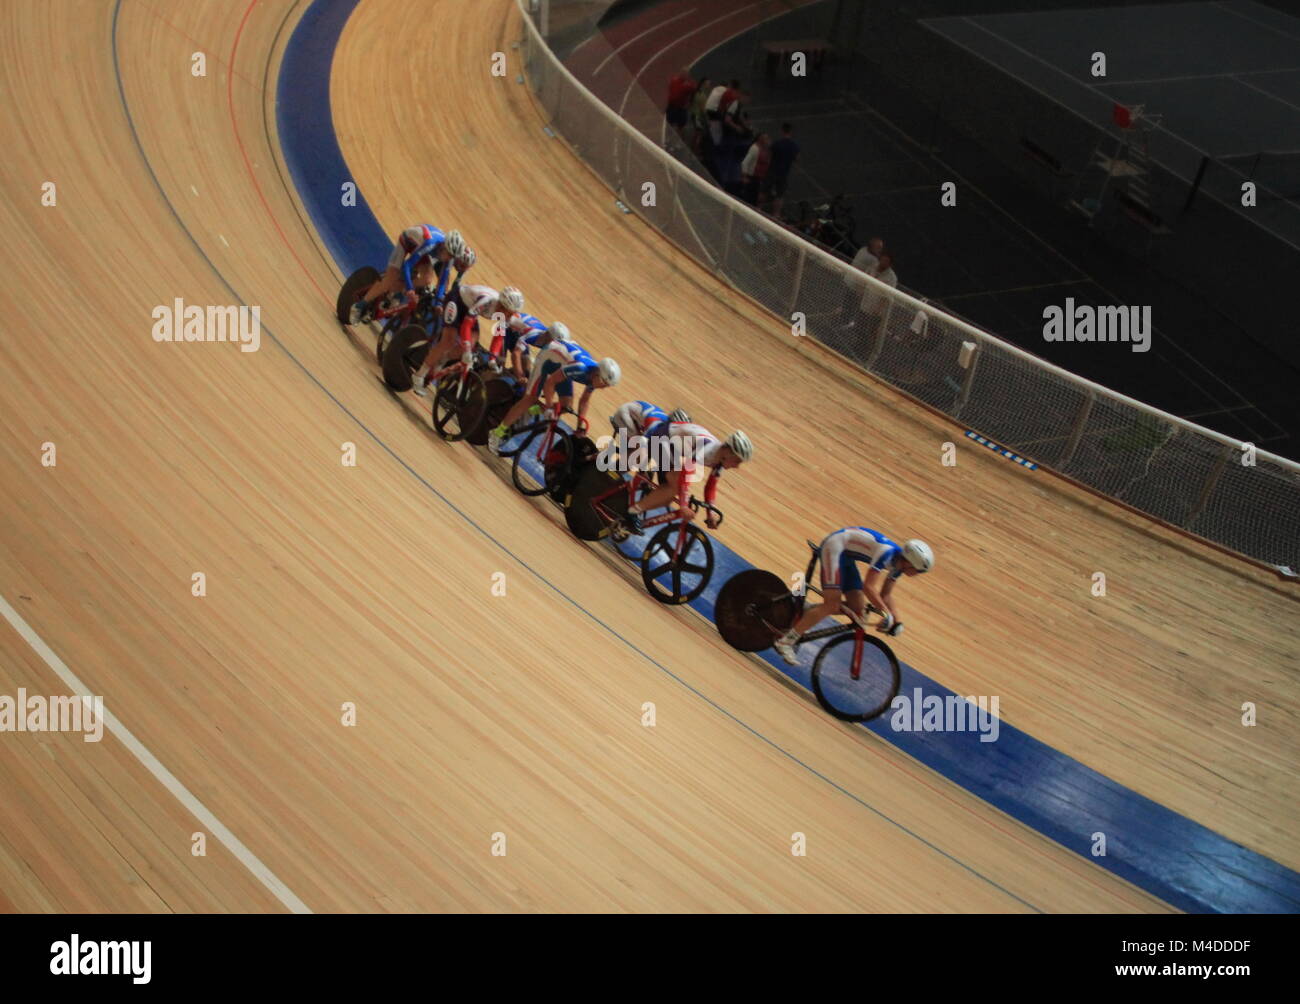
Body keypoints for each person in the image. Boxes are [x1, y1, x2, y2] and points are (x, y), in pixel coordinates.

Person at [772, 528, 933, 666]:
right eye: (919, 571)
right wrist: (886, 613)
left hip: (846, 556)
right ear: (910, 563)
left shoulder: (899, 566)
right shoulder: (886, 553)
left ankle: (809, 610)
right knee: (831, 606)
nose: (918, 575)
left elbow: (886, 595)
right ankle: (785, 642)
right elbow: (868, 587)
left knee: (858, 610)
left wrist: (897, 620)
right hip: (834, 548)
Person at [486, 337, 621, 453]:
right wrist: (549, 407)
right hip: (547, 359)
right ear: (597, 374)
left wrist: (580, 427)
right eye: (604, 384)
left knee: (565, 405)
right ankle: (497, 433)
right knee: (531, 397)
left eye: (607, 386)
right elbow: (550, 383)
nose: (604, 388)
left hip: (563, 364)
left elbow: (584, 401)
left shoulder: (594, 377)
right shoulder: (580, 368)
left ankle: (529, 412)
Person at [621, 423, 751, 532]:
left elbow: (710, 487)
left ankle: (636, 508)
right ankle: (632, 512)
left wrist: (709, 514)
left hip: (671, 447)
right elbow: (685, 475)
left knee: (667, 498)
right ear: (728, 452)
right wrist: (683, 506)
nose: (737, 466)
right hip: (662, 437)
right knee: (675, 487)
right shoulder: (705, 448)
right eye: (737, 461)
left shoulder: (719, 460)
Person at [411, 284, 525, 396]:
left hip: (469, 309)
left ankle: (441, 361)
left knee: (471, 343)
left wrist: (492, 359)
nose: (509, 315)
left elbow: (498, 337)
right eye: (508, 312)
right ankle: (419, 375)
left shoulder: (506, 316)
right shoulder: (486, 301)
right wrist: (467, 349)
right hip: (457, 300)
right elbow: (466, 324)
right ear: (501, 305)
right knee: (448, 341)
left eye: (512, 313)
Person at [348, 226, 474, 324]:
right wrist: (409, 290)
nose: (449, 259)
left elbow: (441, 283)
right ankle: (359, 306)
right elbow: (408, 265)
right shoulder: (431, 243)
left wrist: (438, 305)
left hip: (422, 250)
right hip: (407, 242)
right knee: (389, 280)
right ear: (443, 247)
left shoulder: (450, 257)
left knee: (427, 279)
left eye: (452, 257)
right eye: (449, 254)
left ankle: (396, 291)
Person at [839, 237, 884, 326]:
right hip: (856, 285)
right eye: (878, 248)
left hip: (849, 279)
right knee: (853, 304)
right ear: (873, 247)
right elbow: (872, 274)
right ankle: (846, 322)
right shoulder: (873, 260)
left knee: (848, 301)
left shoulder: (863, 249)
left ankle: (843, 317)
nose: (880, 250)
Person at [761, 123, 799, 217]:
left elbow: (768, 156)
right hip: (784, 173)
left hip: (772, 171)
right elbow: (797, 159)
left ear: (782, 131)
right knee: (780, 195)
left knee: (764, 190)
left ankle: (758, 208)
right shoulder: (794, 145)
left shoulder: (777, 144)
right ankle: (776, 214)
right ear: (791, 131)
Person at [740, 133, 770, 206]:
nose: (767, 141)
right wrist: (744, 176)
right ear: (760, 139)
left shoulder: (762, 149)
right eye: (766, 139)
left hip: (758, 179)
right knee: (749, 199)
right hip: (752, 178)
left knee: (755, 199)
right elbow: (745, 162)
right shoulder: (755, 149)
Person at [665, 67, 696, 138]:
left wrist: (690, 102)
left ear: (688, 75)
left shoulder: (689, 84)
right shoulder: (674, 80)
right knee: (670, 124)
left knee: (681, 126)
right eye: (683, 73)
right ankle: (669, 139)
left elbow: (694, 91)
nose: (684, 75)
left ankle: (679, 140)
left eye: (686, 74)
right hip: (672, 106)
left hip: (681, 108)